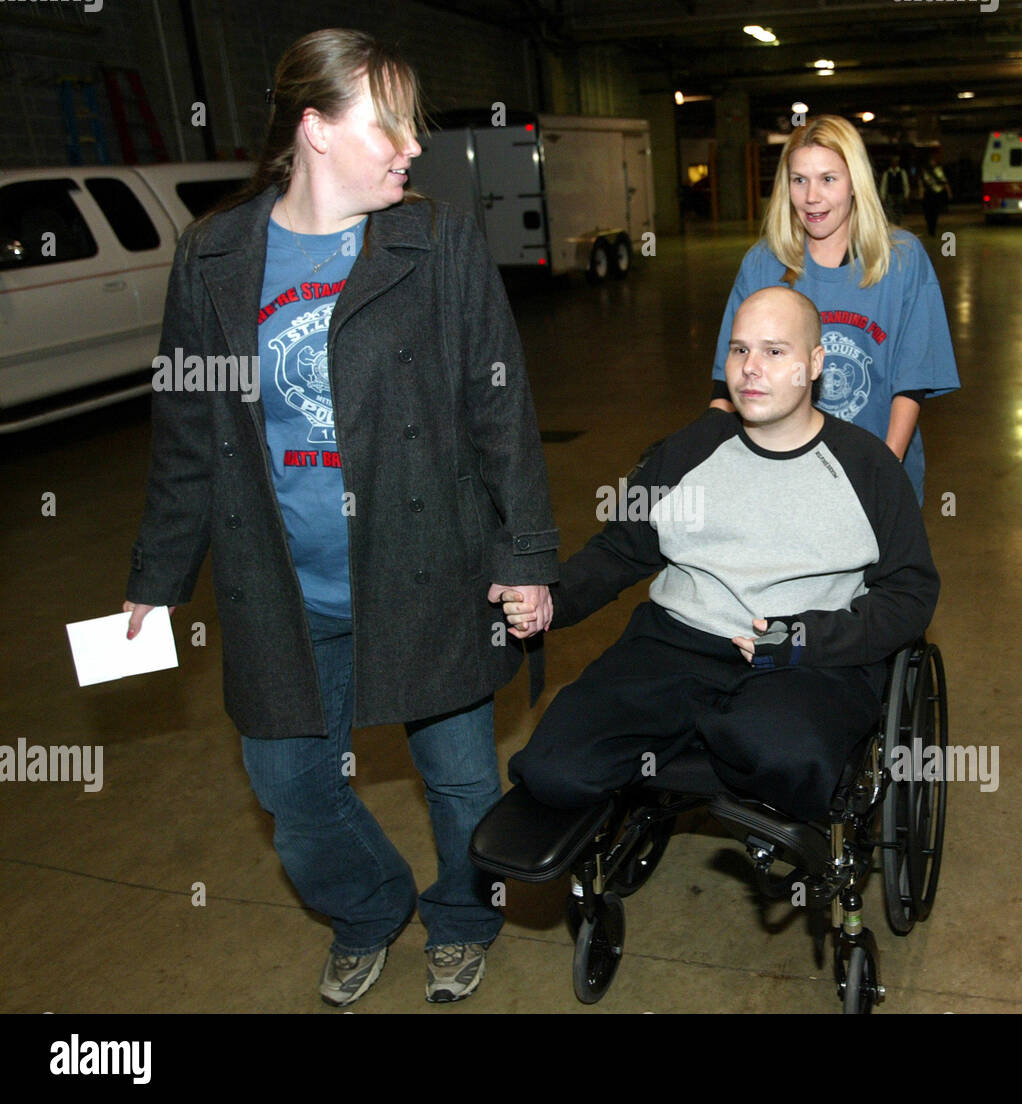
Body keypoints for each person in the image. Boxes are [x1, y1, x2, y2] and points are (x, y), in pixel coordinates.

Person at [122, 29, 558, 1007]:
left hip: (429, 566)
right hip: (283, 583)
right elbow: (190, 437)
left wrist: (526, 553)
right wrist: (153, 585)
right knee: (287, 785)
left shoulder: (435, 237)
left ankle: (461, 916)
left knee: (455, 776)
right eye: (387, 124)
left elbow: (500, 408)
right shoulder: (217, 256)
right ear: (313, 130)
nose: (410, 145)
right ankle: (367, 907)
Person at [505, 287, 938, 820]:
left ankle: (735, 745)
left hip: (804, 658)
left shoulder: (867, 465)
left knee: (784, 756)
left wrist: (804, 638)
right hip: (674, 645)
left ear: (815, 363)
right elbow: (621, 550)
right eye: (739, 351)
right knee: (551, 770)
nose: (751, 368)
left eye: (775, 352)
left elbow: (910, 593)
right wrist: (554, 600)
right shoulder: (690, 449)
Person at [708, 116, 960, 505]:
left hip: (877, 468)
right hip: (779, 477)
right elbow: (729, 384)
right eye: (799, 180)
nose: (812, 197)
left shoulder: (903, 261)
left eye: (828, 179)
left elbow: (910, 383)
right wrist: (709, 459)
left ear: (856, 183)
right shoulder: (762, 265)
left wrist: (885, 472)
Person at [920, 149, 953, 238]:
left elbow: (944, 181)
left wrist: (949, 192)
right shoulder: (925, 171)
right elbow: (922, 183)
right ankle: (930, 227)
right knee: (927, 213)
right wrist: (921, 193)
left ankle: (932, 229)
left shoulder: (939, 170)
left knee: (934, 212)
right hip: (928, 194)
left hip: (936, 194)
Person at [880, 156, 910, 223]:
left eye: (896, 162)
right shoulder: (887, 173)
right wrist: (883, 196)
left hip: (900, 194)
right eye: (893, 161)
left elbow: (905, 184)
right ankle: (892, 221)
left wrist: (906, 194)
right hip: (890, 194)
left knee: (899, 209)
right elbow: (884, 185)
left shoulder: (902, 172)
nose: (894, 163)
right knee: (890, 210)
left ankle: (897, 221)